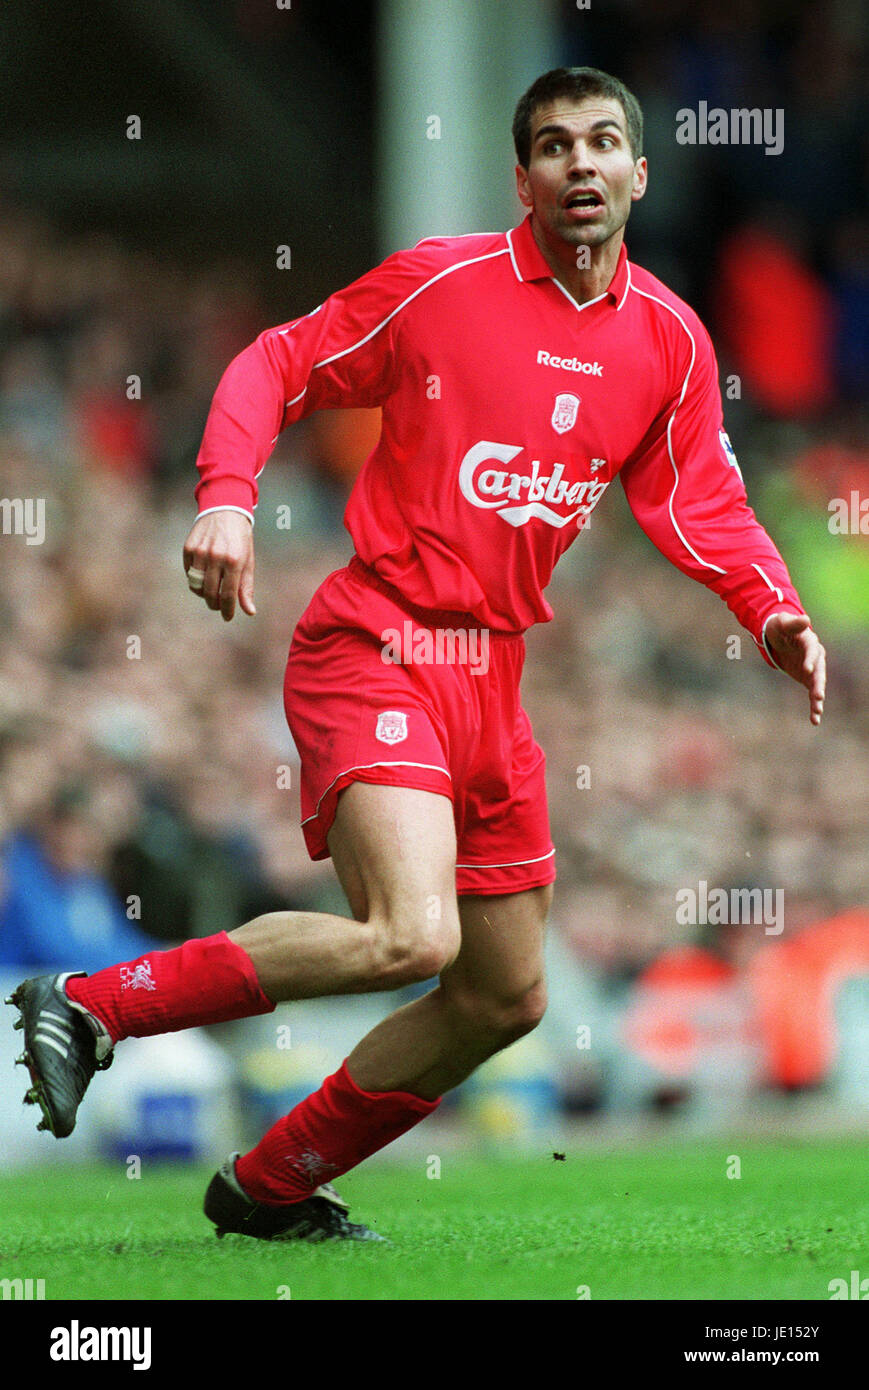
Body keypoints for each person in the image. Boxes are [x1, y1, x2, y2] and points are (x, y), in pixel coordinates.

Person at [8, 68, 826, 1243]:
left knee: (504, 992)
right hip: (376, 643)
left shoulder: (669, 343)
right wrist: (228, 497)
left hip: (494, 676)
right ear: (524, 177)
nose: (579, 164)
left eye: (602, 144)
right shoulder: (441, 285)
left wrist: (772, 611)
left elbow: (702, 502)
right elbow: (275, 362)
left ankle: (269, 1185)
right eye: (553, 147)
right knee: (413, 933)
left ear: (638, 176)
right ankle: (92, 1004)